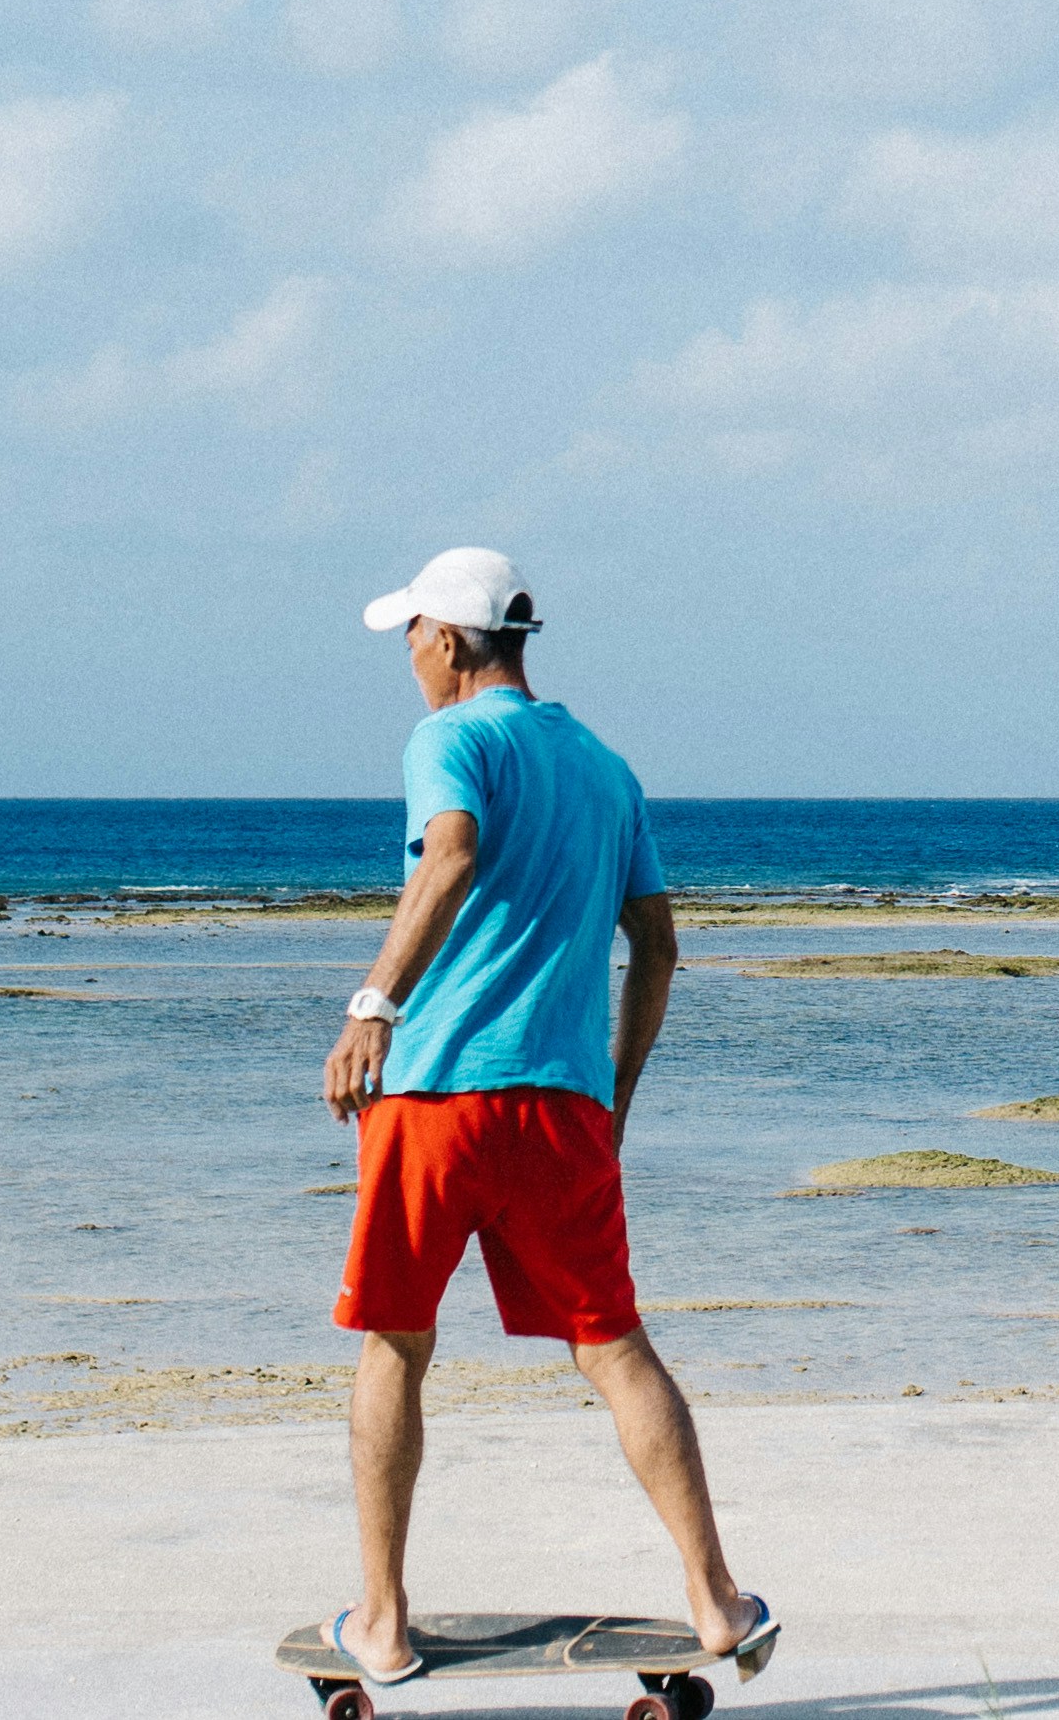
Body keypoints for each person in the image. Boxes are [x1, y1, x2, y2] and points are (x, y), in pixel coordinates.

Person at [316, 545, 768, 1700]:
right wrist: (609, 1096)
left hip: (432, 1096)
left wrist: (374, 1003)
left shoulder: (450, 738)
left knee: (395, 1342)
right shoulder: (605, 766)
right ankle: (715, 1598)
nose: (406, 655)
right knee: (612, 1343)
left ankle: (380, 1620)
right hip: (559, 1106)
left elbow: (452, 855)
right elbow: (658, 944)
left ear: (455, 640)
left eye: (411, 632)